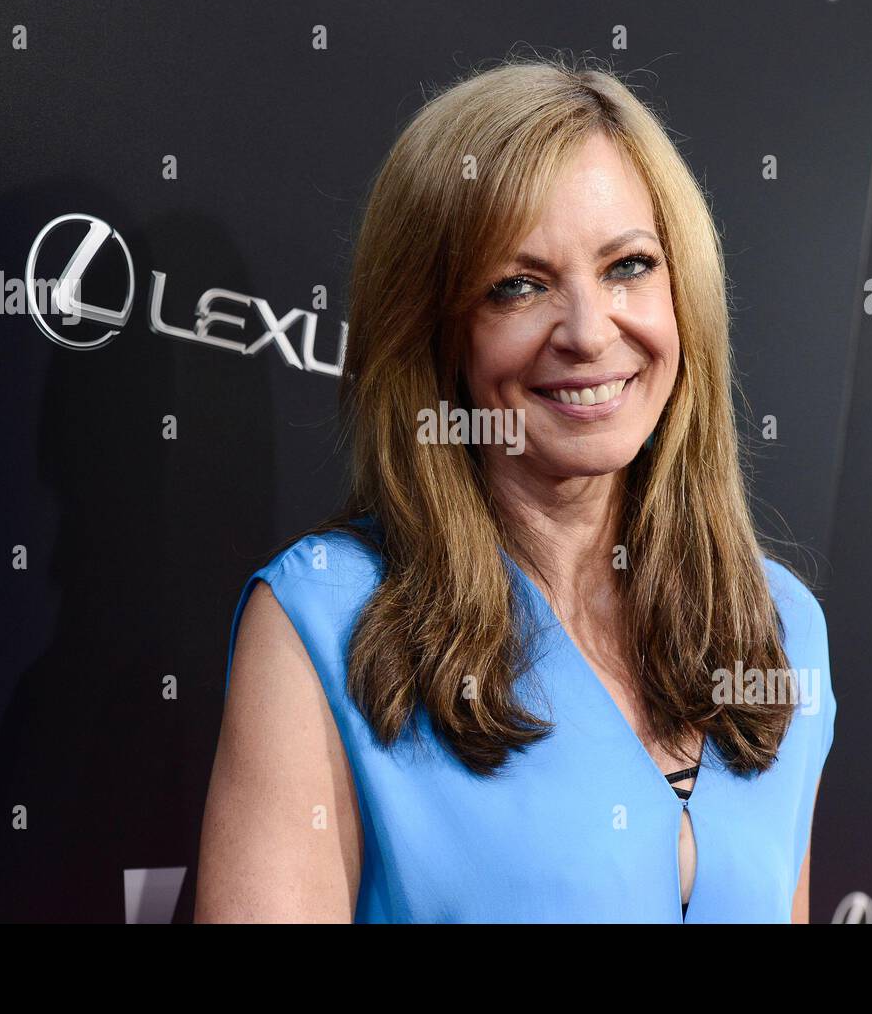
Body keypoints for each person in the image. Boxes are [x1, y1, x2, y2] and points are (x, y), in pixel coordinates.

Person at [195, 54, 836, 923]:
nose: (588, 332)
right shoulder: (325, 620)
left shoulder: (782, 628)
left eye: (628, 266)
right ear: (437, 336)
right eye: (518, 287)